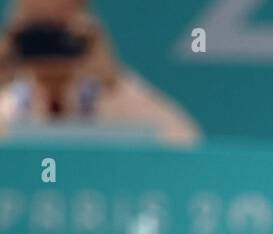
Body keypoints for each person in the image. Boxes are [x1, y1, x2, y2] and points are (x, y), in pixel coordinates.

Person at [0, 0, 200, 145]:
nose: (47, 43)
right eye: (36, 33)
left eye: (58, 31)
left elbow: (185, 144)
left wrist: (114, 82)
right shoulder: (6, 107)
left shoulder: (118, 107)